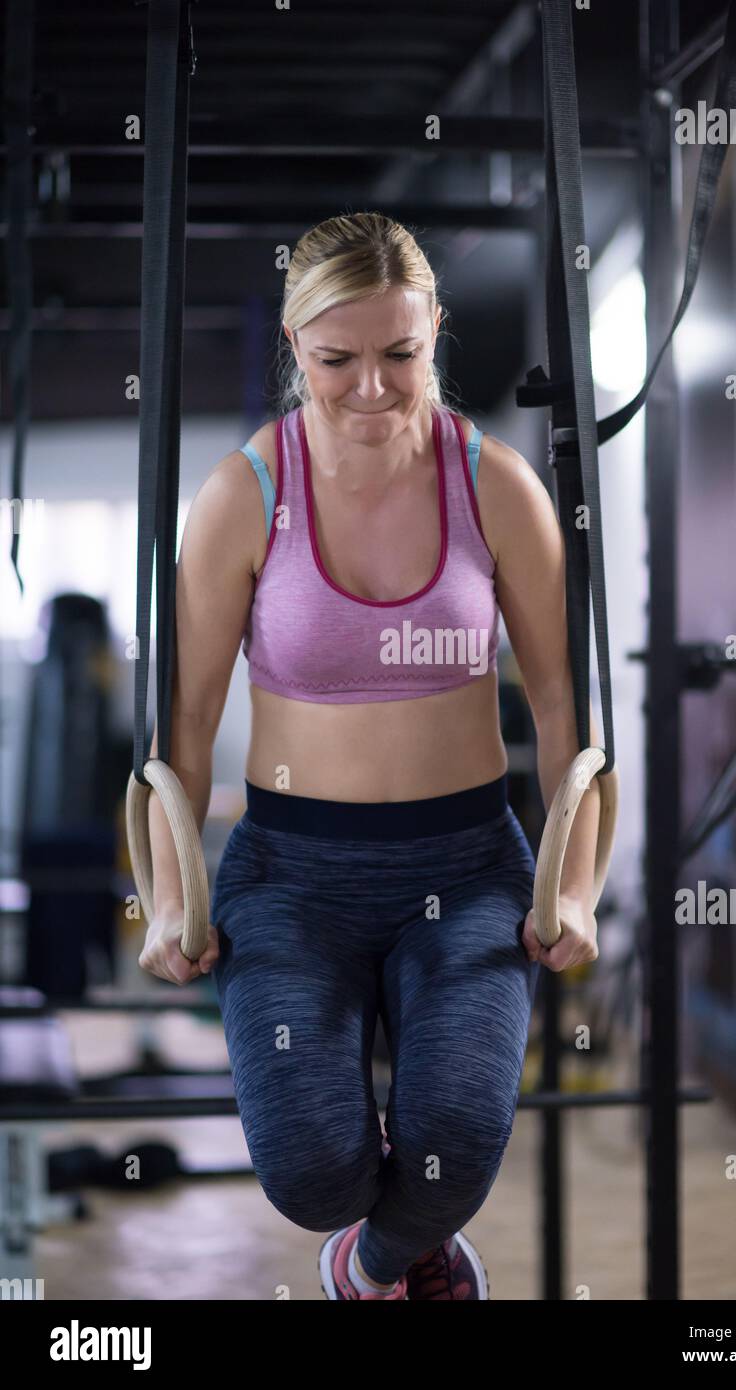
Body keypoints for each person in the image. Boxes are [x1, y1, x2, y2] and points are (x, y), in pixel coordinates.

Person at [139, 211, 607, 1300]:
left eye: (400, 353)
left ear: (434, 328)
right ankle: (358, 1231)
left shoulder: (496, 487)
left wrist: (577, 886)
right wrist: (166, 895)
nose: (370, 389)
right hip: (293, 876)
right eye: (333, 359)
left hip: (466, 867)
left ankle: (382, 1262)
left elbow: (561, 708)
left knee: (452, 1150)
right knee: (312, 1170)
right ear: (294, 347)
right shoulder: (244, 495)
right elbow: (187, 727)